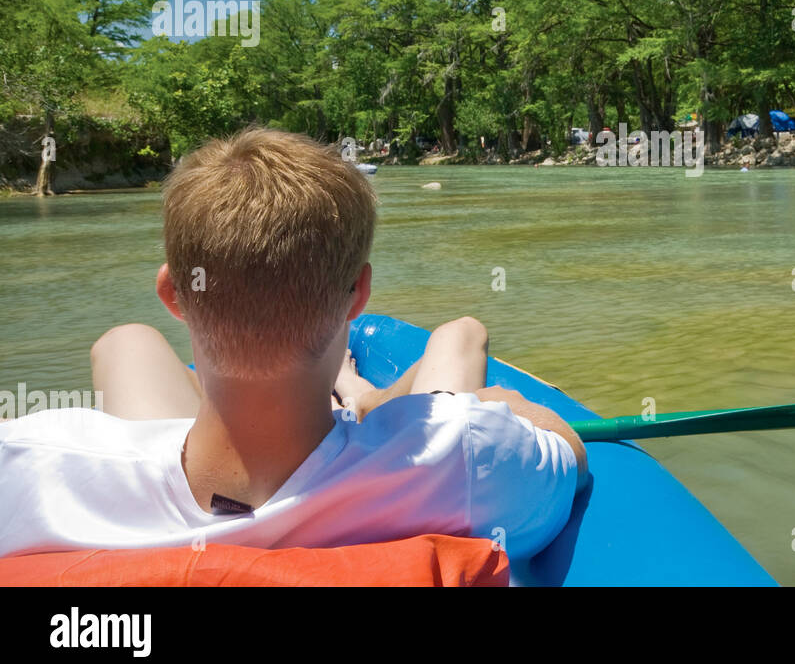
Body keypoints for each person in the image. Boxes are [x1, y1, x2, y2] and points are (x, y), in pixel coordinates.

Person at [0, 128, 586, 561]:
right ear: (358, 294)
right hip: (373, 451)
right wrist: (498, 404)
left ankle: (339, 397)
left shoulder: (32, 465)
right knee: (462, 333)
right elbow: (570, 454)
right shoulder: (466, 454)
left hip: (170, 465)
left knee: (125, 341)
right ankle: (355, 400)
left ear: (173, 295)